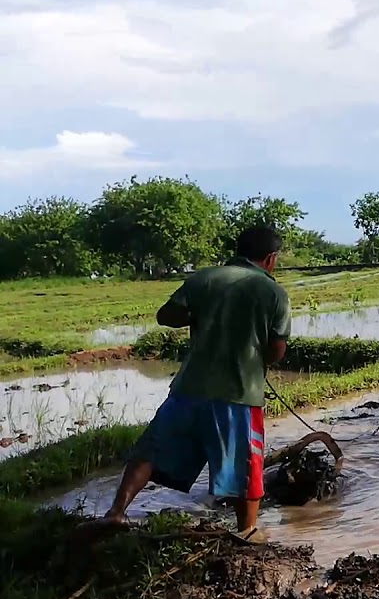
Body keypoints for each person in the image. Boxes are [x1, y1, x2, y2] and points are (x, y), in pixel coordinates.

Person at [82, 226, 291, 544]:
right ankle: (247, 530)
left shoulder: (205, 278)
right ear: (271, 258)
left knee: (150, 450)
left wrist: (201, 315)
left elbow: (166, 316)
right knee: (247, 464)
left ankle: (117, 511)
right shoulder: (273, 292)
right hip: (238, 394)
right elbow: (276, 350)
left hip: (189, 387)